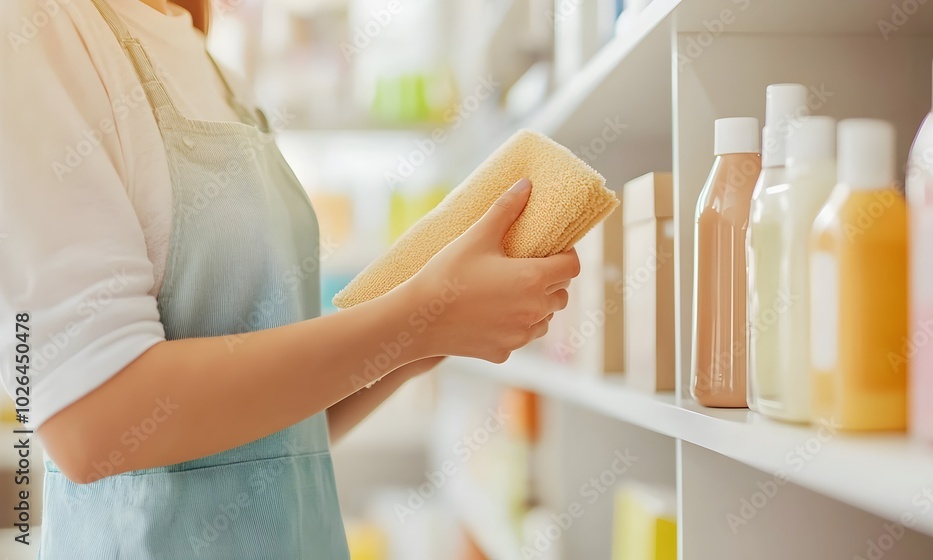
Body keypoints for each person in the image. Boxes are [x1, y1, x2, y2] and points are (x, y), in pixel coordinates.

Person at [0, 0, 579, 557]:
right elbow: (95, 423)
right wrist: (415, 317)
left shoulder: (216, 72)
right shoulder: (35, 28)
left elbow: (279, 431)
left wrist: (420, 340)